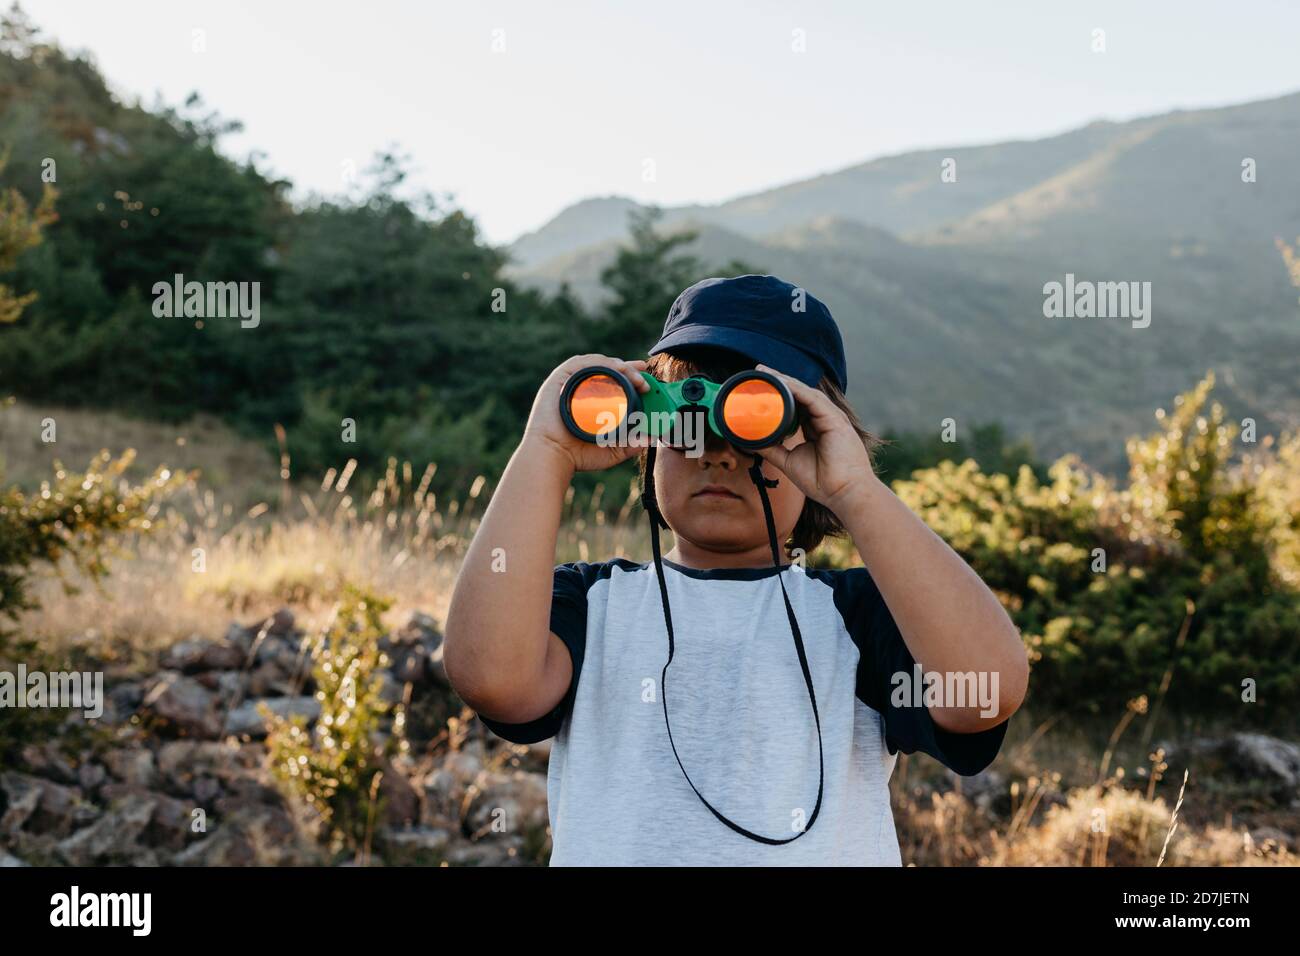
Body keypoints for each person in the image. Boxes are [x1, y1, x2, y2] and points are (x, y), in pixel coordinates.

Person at [445, 274, 1028, 865]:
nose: (720, 451)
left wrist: (854, 488)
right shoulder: (592, 603)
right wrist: (546, 450)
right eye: (690, 424)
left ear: (819, 440)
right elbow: (494, 681)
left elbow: (985, 694)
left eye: (754, 421)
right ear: (649, 438)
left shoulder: (856, 614)